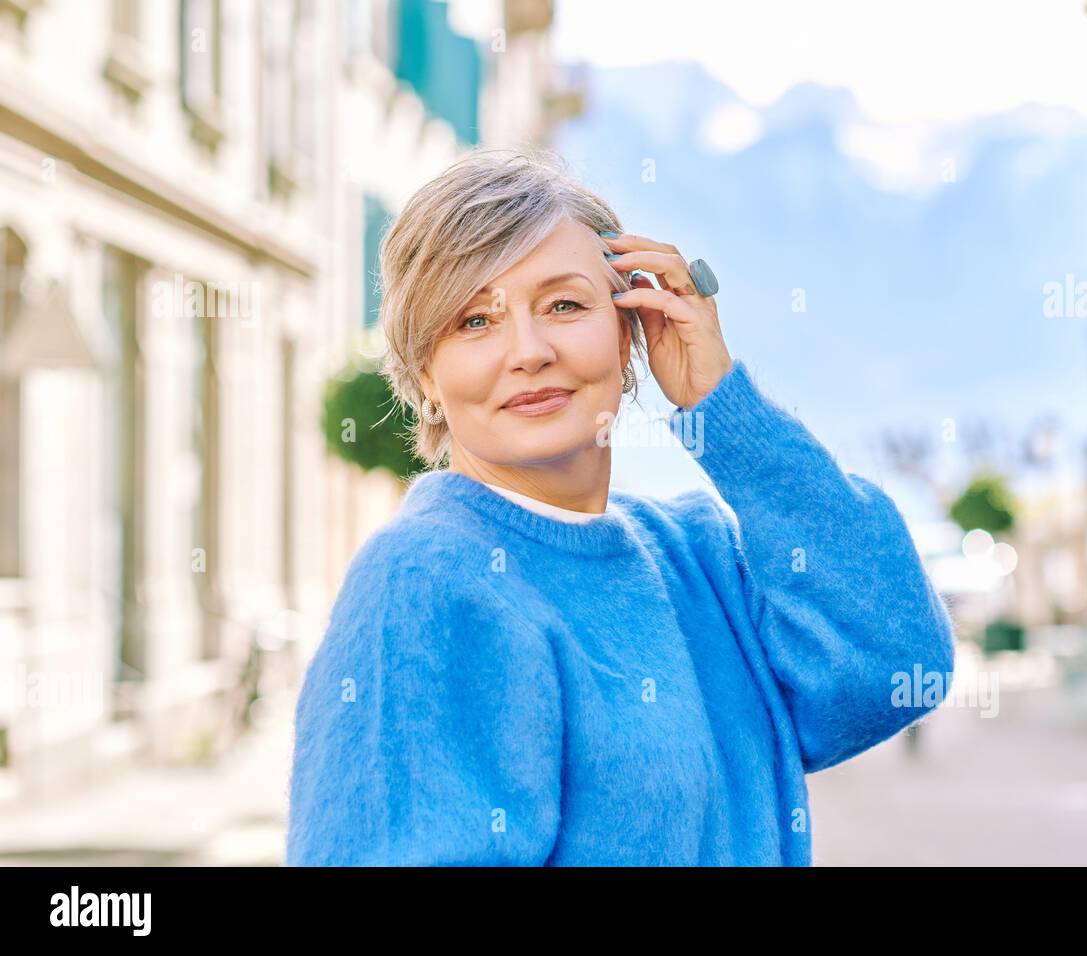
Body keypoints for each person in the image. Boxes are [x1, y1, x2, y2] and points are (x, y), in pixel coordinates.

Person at [285, 145, 955, 866]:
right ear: (425, 370)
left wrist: (721, 407)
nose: (529, 350)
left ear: (632, 328)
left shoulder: (695, 556)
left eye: (565, 304)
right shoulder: (423, 579)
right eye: (474, 321)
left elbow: (895, 661)